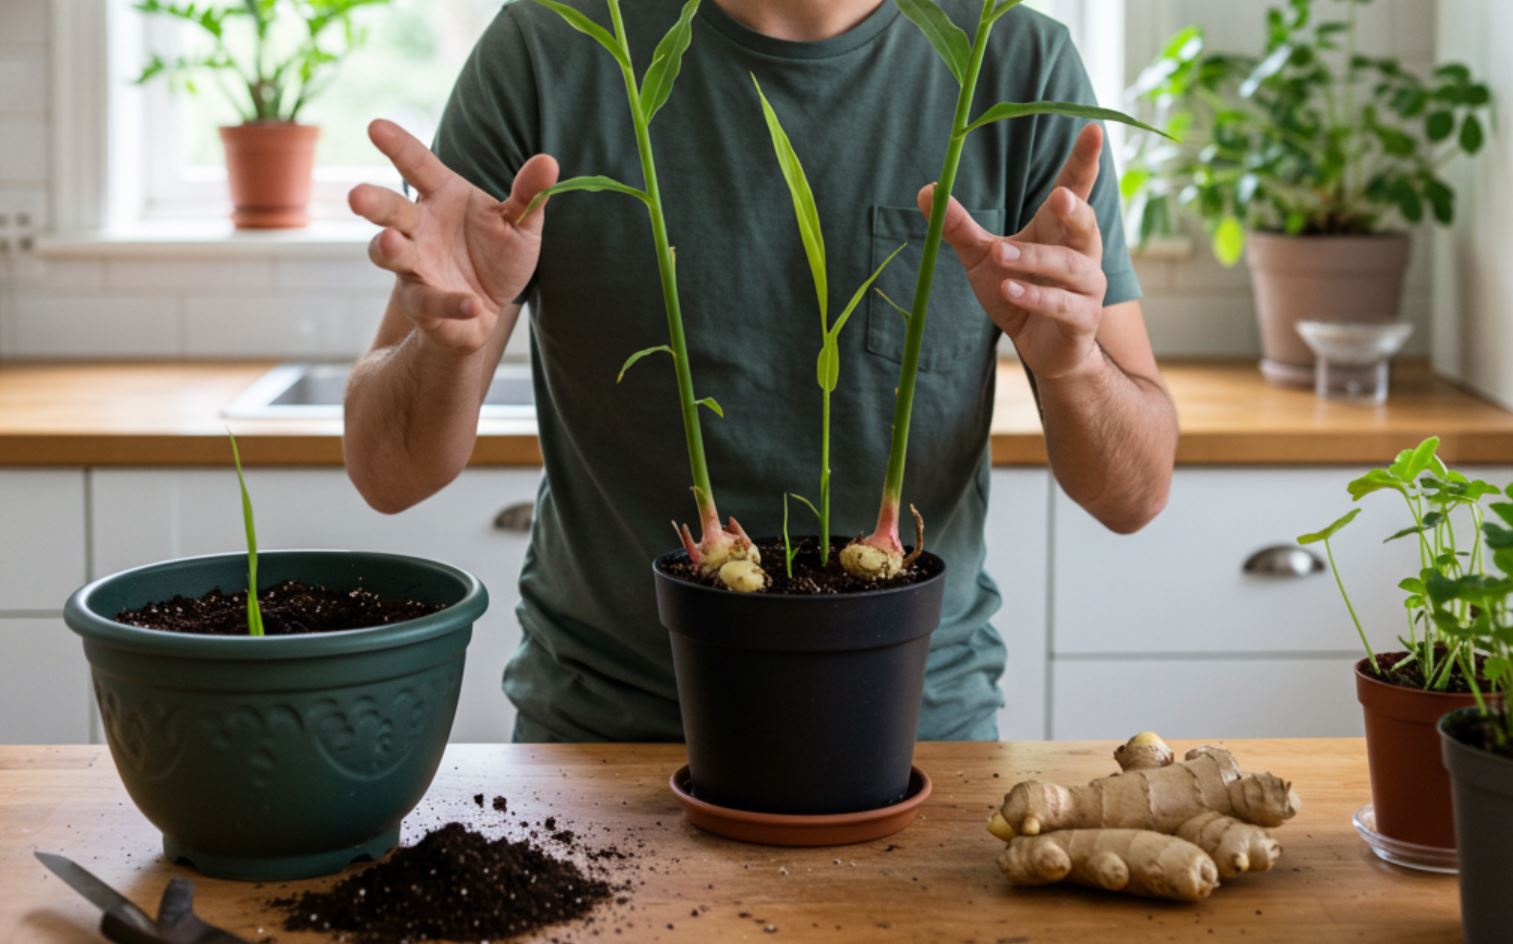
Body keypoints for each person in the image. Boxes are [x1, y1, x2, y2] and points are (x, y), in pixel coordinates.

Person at [343, 0, 1178, 742]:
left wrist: (1072, 368)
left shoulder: (1011, 58)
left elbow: (1133, 493)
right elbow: (388, 472)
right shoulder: (547, 45)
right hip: (604, 735)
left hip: (913, 728)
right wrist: (445, 346)